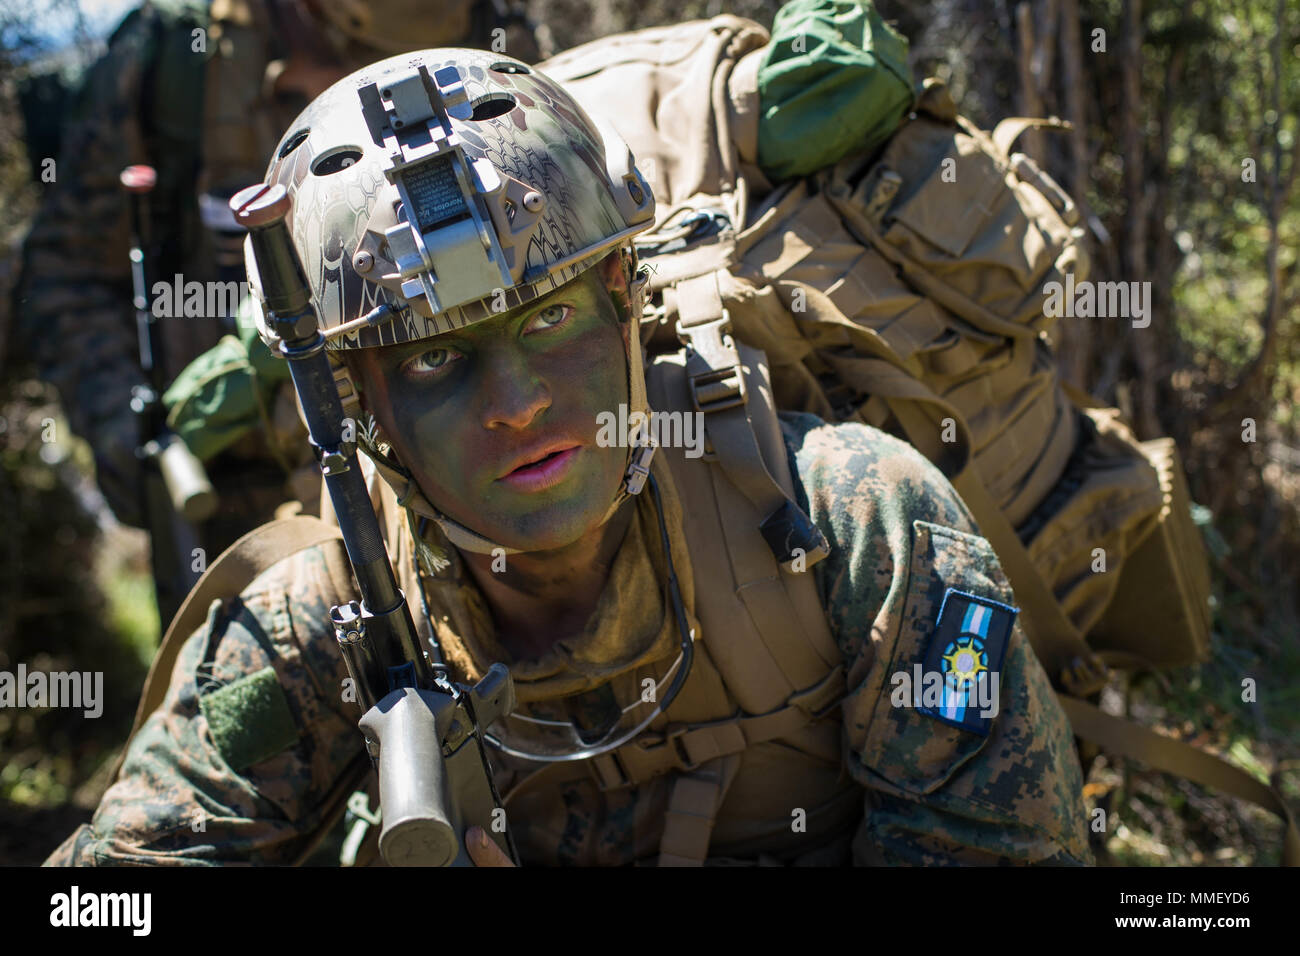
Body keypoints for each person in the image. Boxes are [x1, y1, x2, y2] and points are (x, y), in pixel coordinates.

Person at [44, 47, 1092, 867]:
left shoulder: (859, 522)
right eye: (435, 359)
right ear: (359, 404)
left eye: (550, 323)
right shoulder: (320, 622)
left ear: (629, 307)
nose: (518, 403)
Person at [11, 0, 545, 623]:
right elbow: (65, 272)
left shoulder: (489, 32)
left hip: (478, 482)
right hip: (238, 515)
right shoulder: (182, 58)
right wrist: (127, 428)